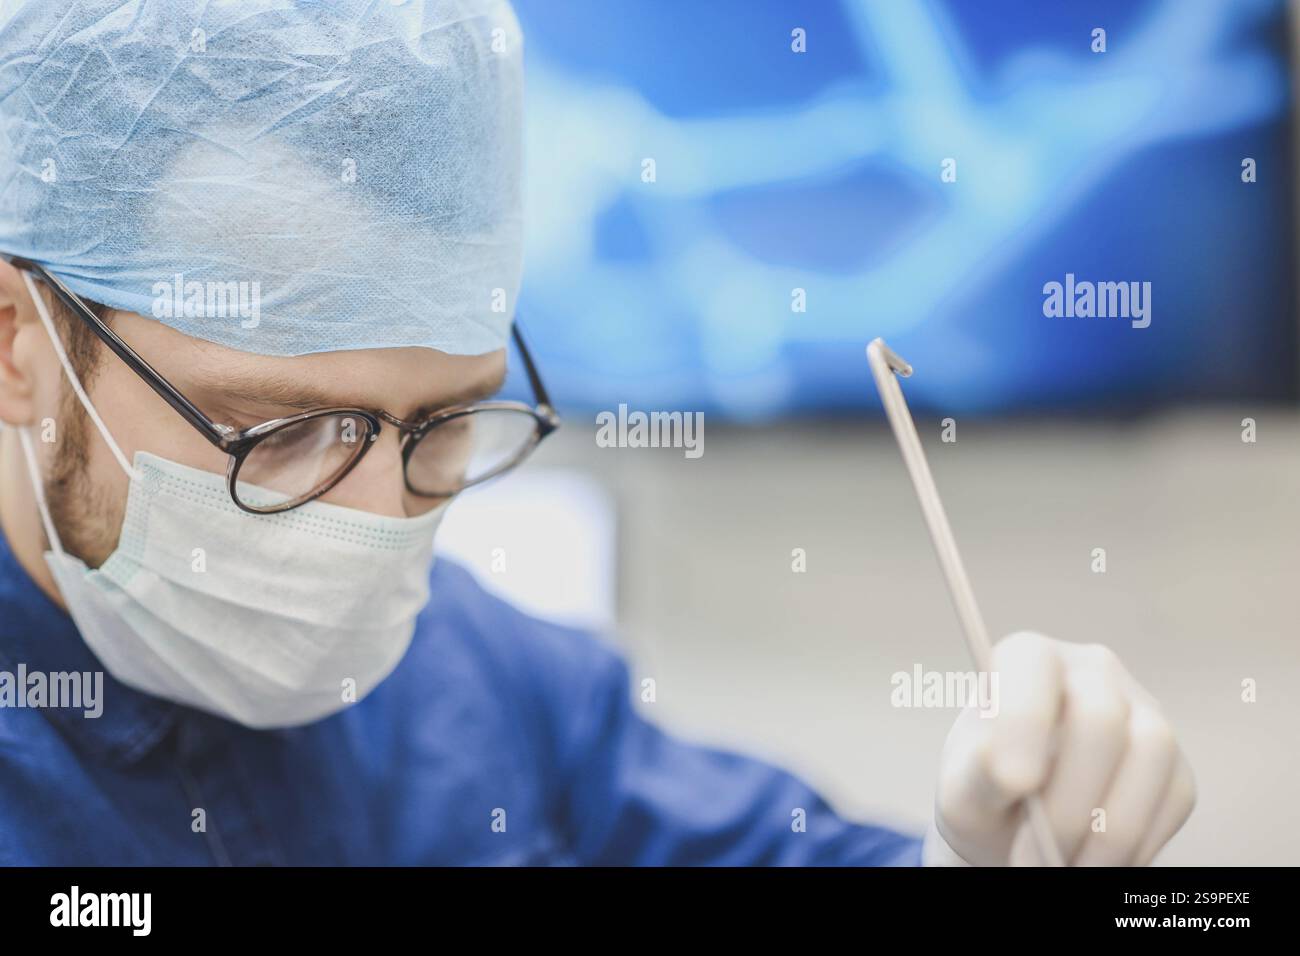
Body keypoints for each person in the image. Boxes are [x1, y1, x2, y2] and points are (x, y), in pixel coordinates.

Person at [0, 0, 1194, 866]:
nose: (372, 528)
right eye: (285, 431)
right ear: (18, 342)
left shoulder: (479, 676)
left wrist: (974, 853)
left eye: (444, 425)